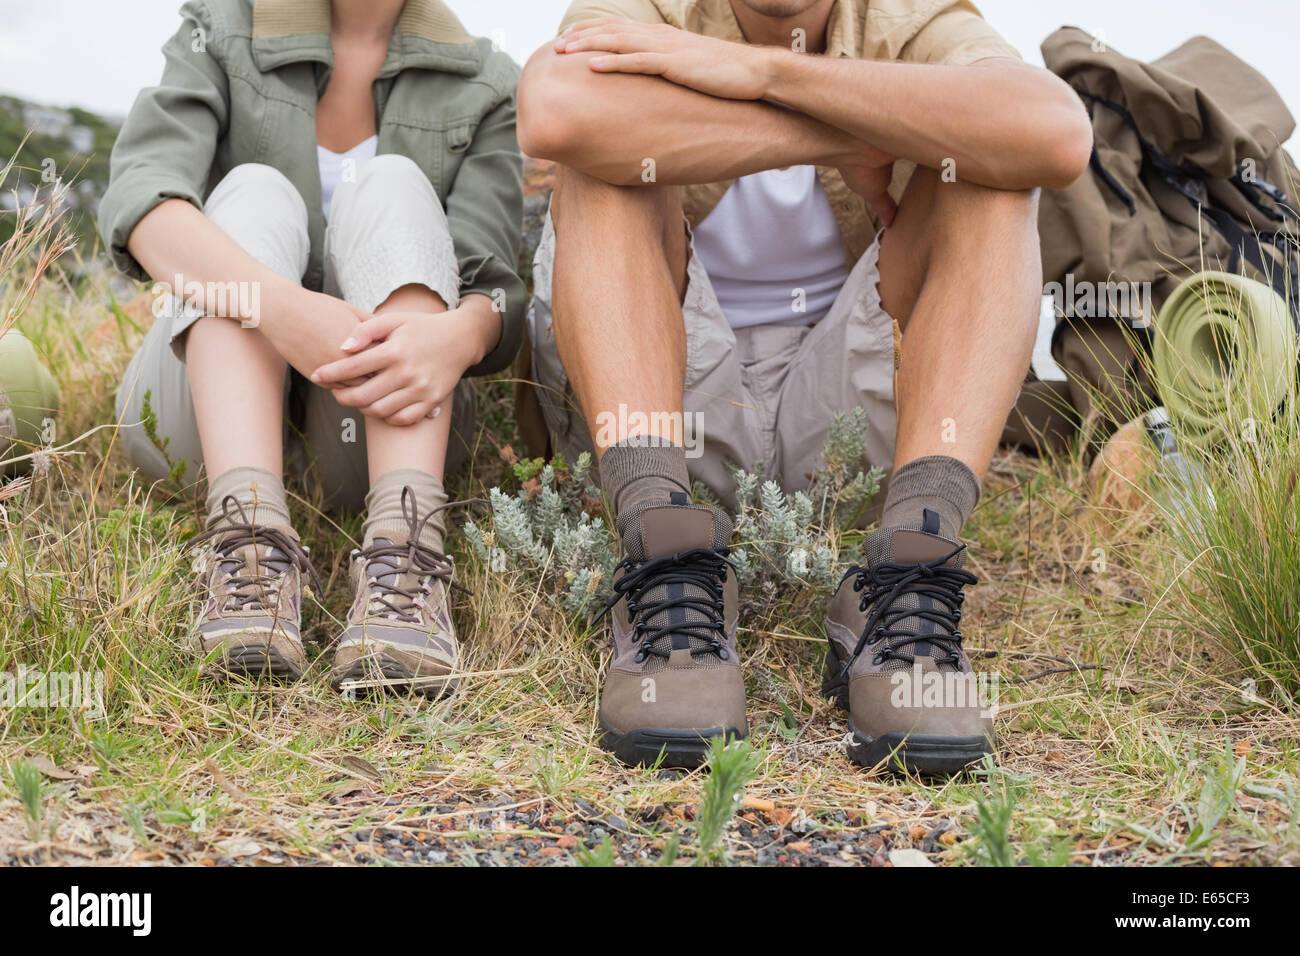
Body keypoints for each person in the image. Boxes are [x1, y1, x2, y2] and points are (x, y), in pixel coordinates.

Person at [517, 0, 1092, 770]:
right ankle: (663, 576)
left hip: (849, 412)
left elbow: (1052, 133)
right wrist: (858, 128)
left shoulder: (903, 17)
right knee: (606, 160)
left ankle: (909, 579)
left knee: (994, 170)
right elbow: (556, 116)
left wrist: (763, 73)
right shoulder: (652, 9)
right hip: (673, 406)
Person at [102, 0, 524, 696]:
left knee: (392, 181)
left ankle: (407, 561)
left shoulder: (486, 77)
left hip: (374, 420)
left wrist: (458, 335)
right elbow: (143, 201)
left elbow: (495, 285)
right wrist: (284, 311)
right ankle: (247, 554)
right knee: (254, 189)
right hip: (197, 421)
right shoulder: (221, 26)